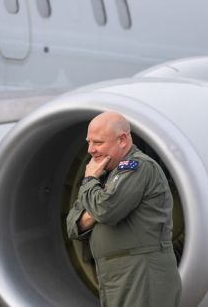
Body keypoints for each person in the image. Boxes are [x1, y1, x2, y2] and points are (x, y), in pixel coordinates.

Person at [66, 111, 181, 307]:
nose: (91, 150)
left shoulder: (138, 167)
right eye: (89, 142)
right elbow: (73, 225)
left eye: (98, 142)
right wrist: (98, 201)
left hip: (141, 272)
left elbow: (106, 211)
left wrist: (89, 182)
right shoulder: (102, 175)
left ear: (122, 140)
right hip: (115, 275)